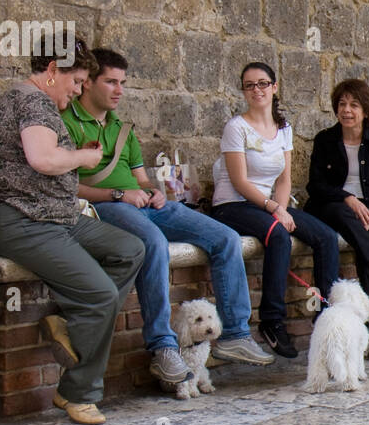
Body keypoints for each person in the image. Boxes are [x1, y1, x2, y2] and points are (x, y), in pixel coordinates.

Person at [63, 47, 275, 387]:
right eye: (110, 82)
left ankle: (234, 333)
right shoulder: (67, 122)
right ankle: (163, 346)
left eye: (123, 82)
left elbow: (140, 177)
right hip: (105, 207)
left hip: (143, 203)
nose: (119, 90)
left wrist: (153, 190)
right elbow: (68, 187)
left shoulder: (122, 128)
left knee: (224, 238)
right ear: (87, 83)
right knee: (154, 244)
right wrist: (120, 195)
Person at [0, 41, 145, 425]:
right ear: (53, 69)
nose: (77, 89)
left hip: (55, 216)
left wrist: (75, 156)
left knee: (130, 249)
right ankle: (78, 393)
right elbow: (44, 159)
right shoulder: (33, 102)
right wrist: (84, 158)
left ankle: (72, 325)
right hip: (23, 220)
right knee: (101, 295)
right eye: (77, 81)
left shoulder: (40, 104)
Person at [210, 62, 339, 359]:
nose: (257, 90)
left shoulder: (283, 128)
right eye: (249, 85)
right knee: (279, 236)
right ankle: (271, 321)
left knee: (326, 237)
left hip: (267, 205)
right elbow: (240, 182)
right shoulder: (236, 128)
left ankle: (326, 318)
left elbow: (284, 179)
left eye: (262, 83)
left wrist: (281, 208)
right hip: (232, 206)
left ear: (274, 87)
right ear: (243, 91)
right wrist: (275, 211)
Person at [305, 78, 369, 362]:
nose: (346, 110)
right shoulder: (325, 139)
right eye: (342, 104)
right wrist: (348, 198)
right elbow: (316, 186)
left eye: (354, 105)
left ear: (365, 110)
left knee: (366, 255)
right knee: (340, 210)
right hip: (333, 208)